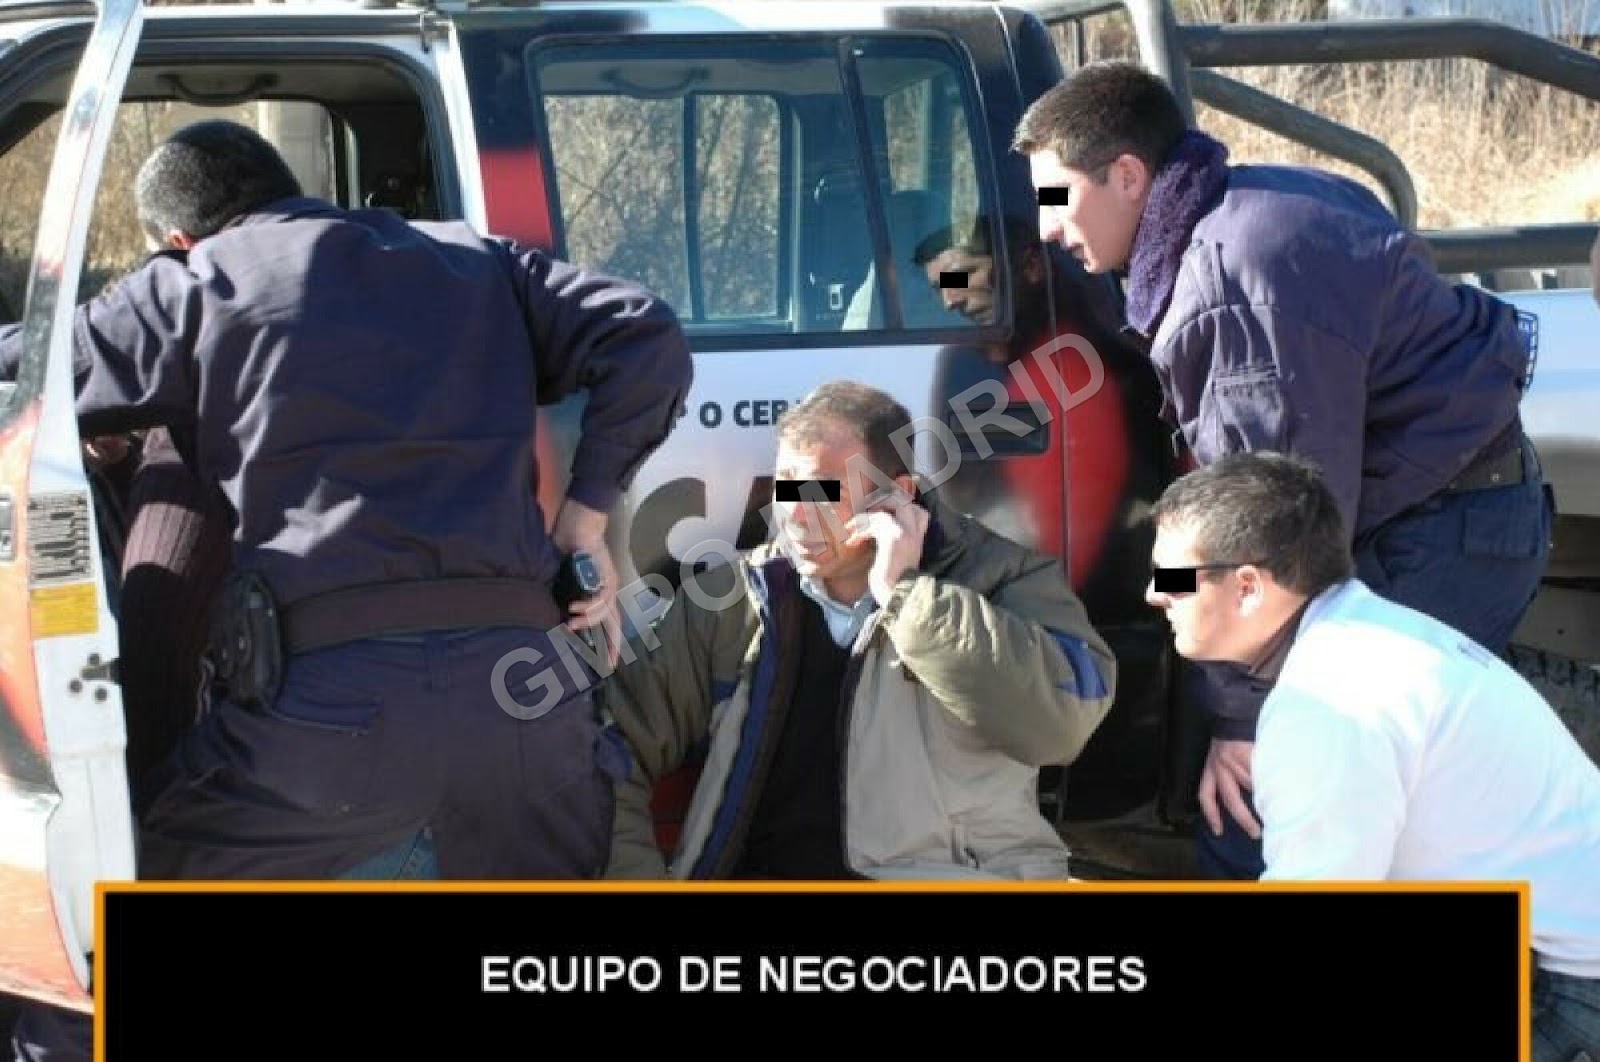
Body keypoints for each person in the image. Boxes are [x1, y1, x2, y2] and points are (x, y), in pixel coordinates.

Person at [0, 119, 693, 883]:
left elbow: (22, 372)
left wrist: (102, 425)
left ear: (177, 239)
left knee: (141, 866)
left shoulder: (196, 284)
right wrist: (585, 517)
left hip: (328, 721)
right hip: (526, 706)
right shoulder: (477, 259)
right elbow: (647, 333)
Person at [1015, 61, 1554, 877]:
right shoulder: (1256, 200)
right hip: (1449, 508)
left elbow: (1273, 536)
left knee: (1261, 809)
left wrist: (1245, 717)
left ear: (1127, 175)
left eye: (1056, 197)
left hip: (1436, 532)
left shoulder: (1229, 288)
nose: (1048, 227)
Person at [1145, 451, 1600, 1061]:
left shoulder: (1328, 702)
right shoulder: (1374, 633)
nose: (1154, 595)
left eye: (1174, 578)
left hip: (1568, 990)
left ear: (1249, 587)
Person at [601, 380, 1117, 880]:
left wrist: (907, 596)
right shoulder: (731, 599)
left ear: (896, 496)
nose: (796, 516)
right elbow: (607, 743)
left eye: (824, 492)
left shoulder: (1002, 578)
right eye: (787, 488)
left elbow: (1063, 724)